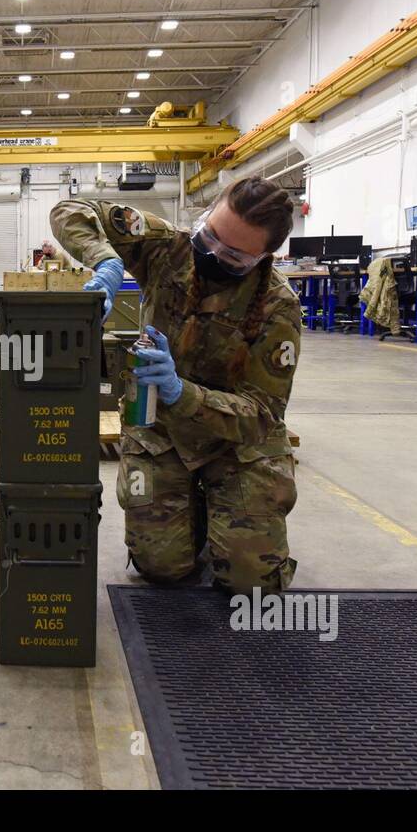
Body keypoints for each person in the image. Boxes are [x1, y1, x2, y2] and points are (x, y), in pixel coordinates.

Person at [51, 177, 302, 594]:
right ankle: (194, 511)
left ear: (263, 258)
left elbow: (260, 416)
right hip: (159, 429)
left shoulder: (278, 306)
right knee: (160, 568)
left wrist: (180, 391)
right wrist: (107, 262)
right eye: (211, 237)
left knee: (252, 583)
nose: (213, 256)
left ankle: (221, 503)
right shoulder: (169, 248)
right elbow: (70, 211)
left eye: (234, 256)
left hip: (234, 444)